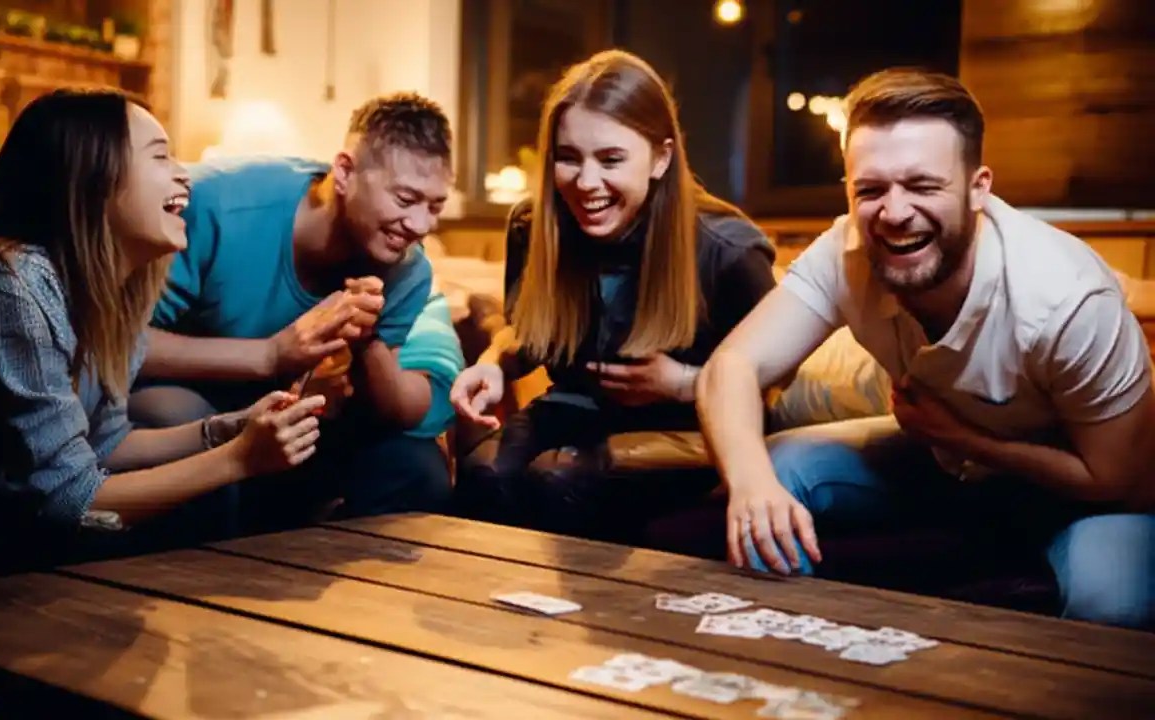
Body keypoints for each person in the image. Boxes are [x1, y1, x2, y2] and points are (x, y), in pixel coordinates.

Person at [697, 67, 1155, 629]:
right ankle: (796, 664)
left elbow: (1115, 478)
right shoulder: (847, 251)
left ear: (978, 187)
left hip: (1084, 494)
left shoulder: (1065, 300)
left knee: (1113, 604)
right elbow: (731, 367)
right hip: (944, 460)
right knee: (778, 468)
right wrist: (751, 486)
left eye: (922, 185)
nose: (893, 213)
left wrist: (961, 437)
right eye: (870, 189)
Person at [0, 89, 325, 583]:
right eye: (160, 156)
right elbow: (69, 500)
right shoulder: (12, 284)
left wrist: (226, 430)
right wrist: (239, 459)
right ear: (91, 178)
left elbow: (106, 444)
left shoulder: (109, 292)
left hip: (11, 542)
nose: (184, 173)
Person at [449, 49, 776, 540]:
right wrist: (495, 363)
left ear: (661, 158)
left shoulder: (727, 251)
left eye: (611, 159)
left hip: (687, 426)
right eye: (568, 158)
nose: (585, 183)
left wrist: (683, 382)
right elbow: (534, 335)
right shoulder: (534, 227)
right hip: (576, 409)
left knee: (559, 484)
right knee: (483, 477)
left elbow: (778, 381)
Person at [130, 92, 461, 527]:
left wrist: (366, 340)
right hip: (189, 404)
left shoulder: (407, 270)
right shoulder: (219, 206)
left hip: (292, 421)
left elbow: (388, 410)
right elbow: (127, 343)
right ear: (345, 172)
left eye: (434, 206)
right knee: (176, 414)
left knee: (415, 465)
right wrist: (271, 354)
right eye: (405, 200)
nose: (420, 226)